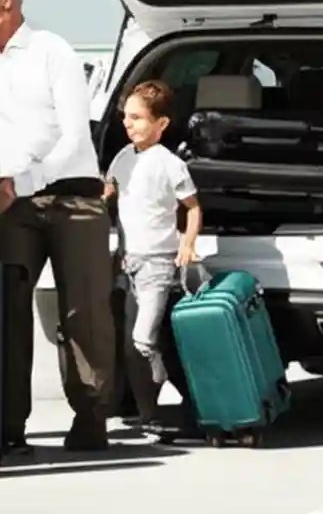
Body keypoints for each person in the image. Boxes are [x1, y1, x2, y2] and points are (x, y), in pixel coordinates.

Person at [0, 0, 116, 453]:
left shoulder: (53, 52)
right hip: (15, 204)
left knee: (82, 315)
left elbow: (72, 138)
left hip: (74, 200)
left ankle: (91, 419)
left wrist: (20, 182)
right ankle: (7, 425)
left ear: (9, 1)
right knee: (8, 313)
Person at [102, 80, 203, 435]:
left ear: (161, 124)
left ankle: (175, 395)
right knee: (136, 343)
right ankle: (150, 415)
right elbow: (110, 194)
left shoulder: (170, 164)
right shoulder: (122, 158)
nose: (128, 124)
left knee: (145, 340)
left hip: (159, 265)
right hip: (129, 262)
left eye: (138, 118)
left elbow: (192, 208)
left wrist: (187, 244)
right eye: (126, 117)